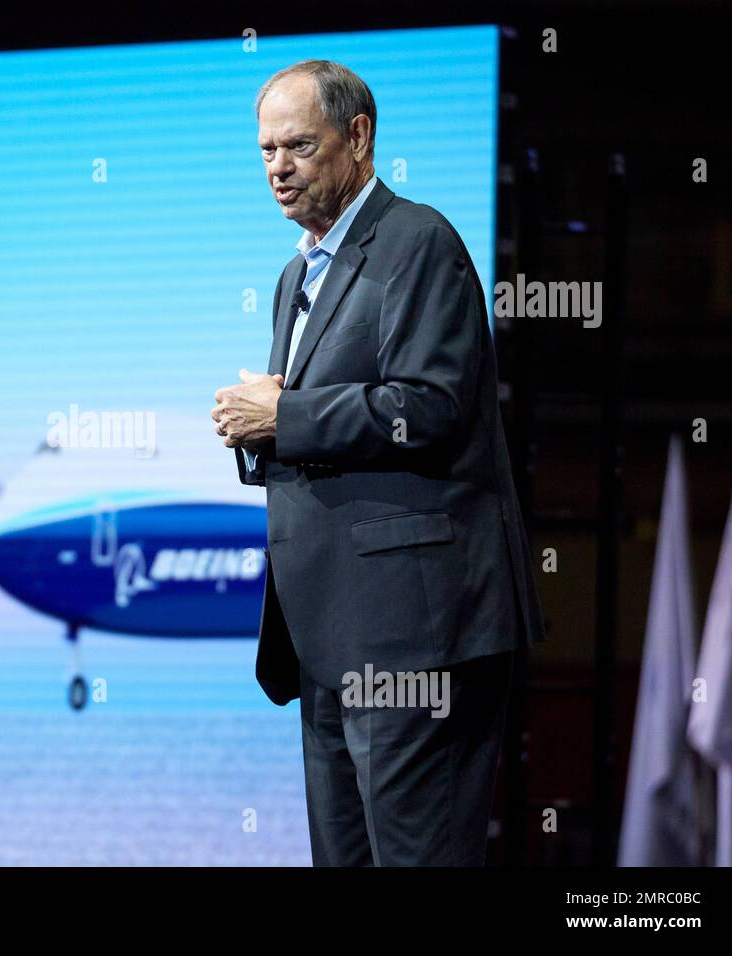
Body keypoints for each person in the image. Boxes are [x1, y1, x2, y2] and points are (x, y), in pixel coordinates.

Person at [211, 60, 546, 866]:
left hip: (413, 636)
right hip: (326, 635)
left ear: (358, 138)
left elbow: (427, 408)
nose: (278, 170)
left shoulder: (417, 242)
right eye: (265, 152)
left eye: (298, 146)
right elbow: (310, 431)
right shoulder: (297, 272)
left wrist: (283, 414)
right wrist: (257, 429)